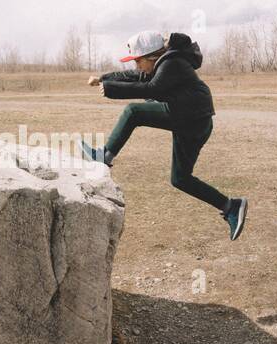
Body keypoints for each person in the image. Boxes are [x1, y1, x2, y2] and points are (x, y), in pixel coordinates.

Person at [80, 29, 248, 240]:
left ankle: (105, 156)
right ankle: (231, 206)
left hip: (192, 119)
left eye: (138, 60)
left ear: (151, 56)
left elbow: (152, 89)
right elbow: (136, 76)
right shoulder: (161, 64)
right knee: (180, 179)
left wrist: (111, 89)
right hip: (191, 122)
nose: (136, 65)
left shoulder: (172, 63)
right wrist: (104, 79)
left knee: (134, 111)